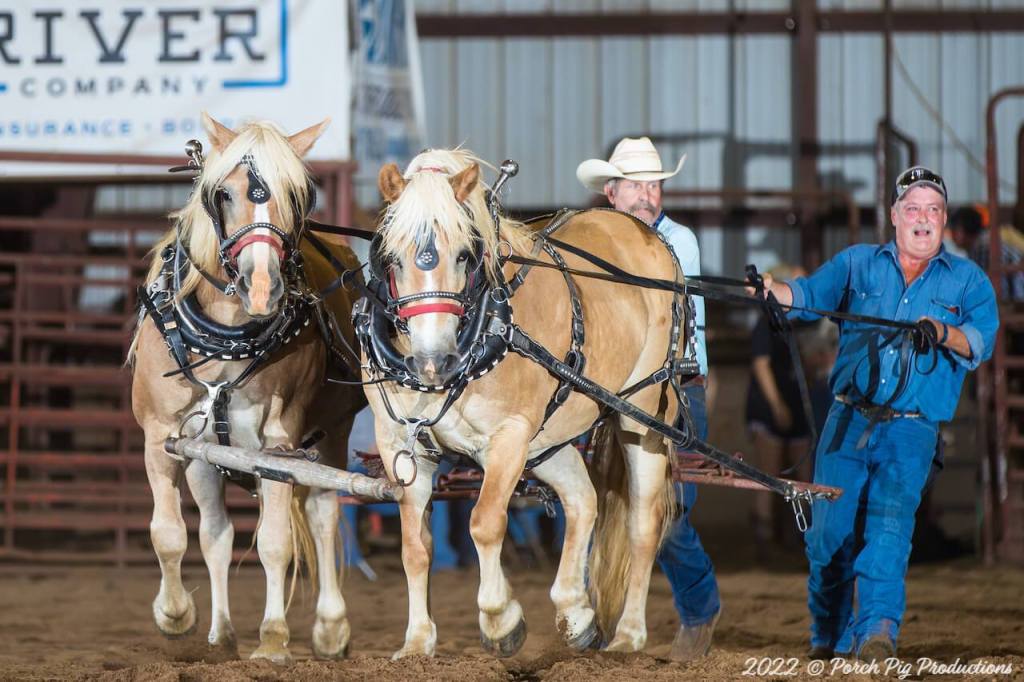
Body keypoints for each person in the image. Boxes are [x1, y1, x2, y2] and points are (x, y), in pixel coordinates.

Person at [751, 166, 999, 661]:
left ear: (944, 218)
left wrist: (941, 331)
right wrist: (771, 290)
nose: (923, 219)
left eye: (932, 209)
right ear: (894, 215)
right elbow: (806, 298)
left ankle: (877, 632)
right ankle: (829, 635)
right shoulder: (857, 264)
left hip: (912, 429)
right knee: (826, 536)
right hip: (847, 419)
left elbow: (980, 339)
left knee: (888, 525)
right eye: (913, 208)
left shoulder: (969, 280)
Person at [577, 136, 720, 662]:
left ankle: (700, 610)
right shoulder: (592, 241)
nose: (647, 196)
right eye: (637, 186)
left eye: (654, 186)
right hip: (607, 392)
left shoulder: (675, 242)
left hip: (675, 388)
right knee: (591, 502)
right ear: (611, 193)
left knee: (669, 515)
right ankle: (597, 612)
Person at [745, 264, 813, 556]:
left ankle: (797, 533)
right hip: (771, 404)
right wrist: (777, 405)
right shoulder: (767, 320)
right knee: (769, 472)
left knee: (801, 472)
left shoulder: (803, 324)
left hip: (796, 401)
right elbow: (760, 363)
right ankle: (764, 534)